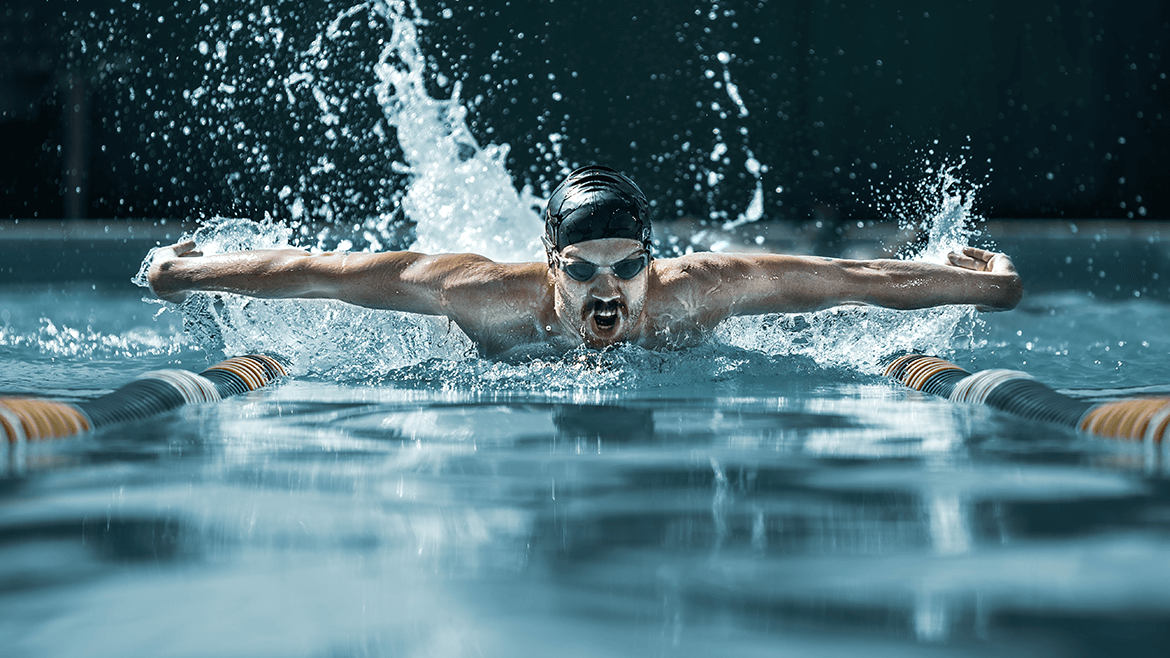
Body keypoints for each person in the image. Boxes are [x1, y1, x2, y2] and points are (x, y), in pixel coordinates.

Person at [148, 165, 1022, 359]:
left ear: (655, 259)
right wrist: (181, 272)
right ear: (549, 261)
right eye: (582, 268)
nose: (608, 289)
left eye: (628, 265)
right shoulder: (481, 296)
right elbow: (316, 272)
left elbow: (855, 284)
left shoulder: (699, 294)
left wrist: (989, 284)